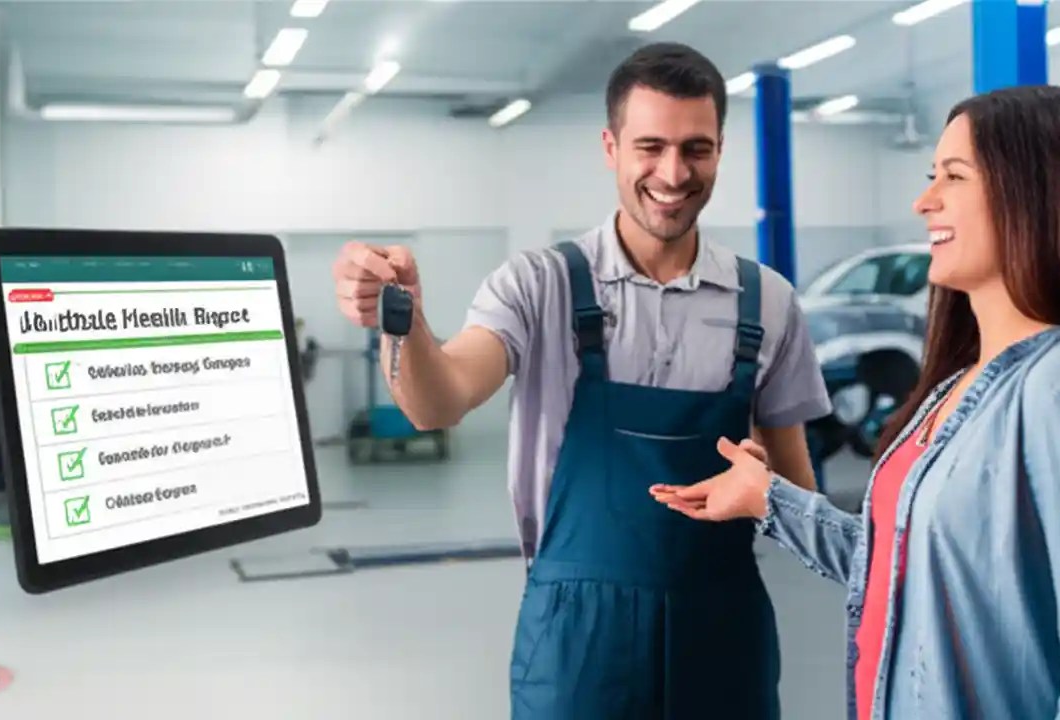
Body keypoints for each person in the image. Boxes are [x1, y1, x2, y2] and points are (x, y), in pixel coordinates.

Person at [332, 42, 832, 719]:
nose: (673, 172)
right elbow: (438, 400)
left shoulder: (768, 303)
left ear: (721, 149)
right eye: (649, 147)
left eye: (697, 149)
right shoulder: (538, 286)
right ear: (610, 146)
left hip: (724, 636)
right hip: (575, 643)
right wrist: (406, 321)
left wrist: (765, 486)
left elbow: (802, 497)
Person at [652, 83, 1060, 720]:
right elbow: (905, 573)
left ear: (1036, 197)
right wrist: (769, 500)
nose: (924, 201)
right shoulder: (957, 387)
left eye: (953, 176)